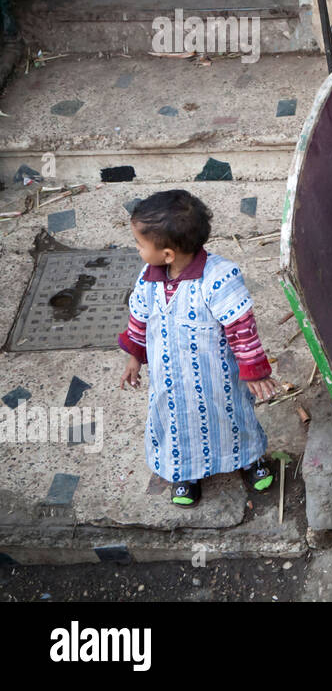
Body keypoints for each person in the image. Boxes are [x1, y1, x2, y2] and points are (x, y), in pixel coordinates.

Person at [118, 190, 277, 507]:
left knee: (233, 416)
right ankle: (184, 472)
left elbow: (241, 327)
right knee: (176, 424)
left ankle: (248, 460)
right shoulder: (148, 280)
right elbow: (139, 319)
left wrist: (254, 369)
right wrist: (134, 356)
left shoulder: (219, 278)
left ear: (167, 255)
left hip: (217, 380)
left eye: (139, 244)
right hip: (170, 383)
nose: (136, 250)